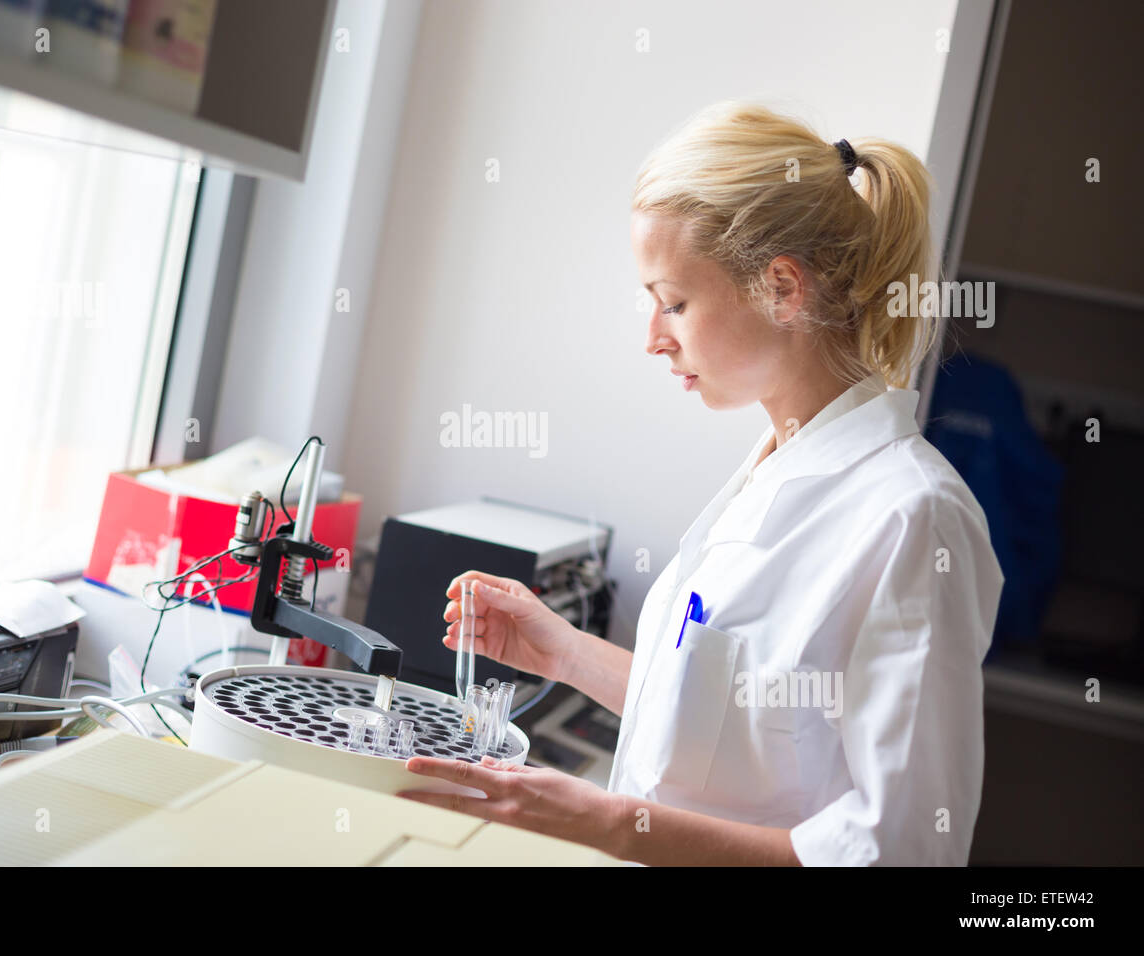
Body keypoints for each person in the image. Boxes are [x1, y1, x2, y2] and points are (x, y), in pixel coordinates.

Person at [399, 102, 1003, 866]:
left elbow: (903, 850)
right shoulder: (772, 470)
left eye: (674, 302)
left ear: (783, 288)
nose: (653, 338)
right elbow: (737, 726)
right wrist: (567, 654)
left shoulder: (913, 518)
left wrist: (614, 825)